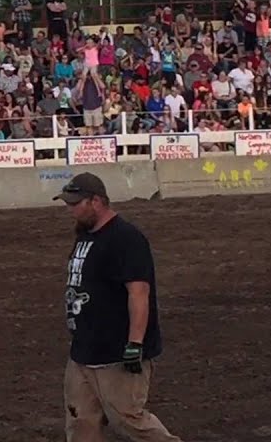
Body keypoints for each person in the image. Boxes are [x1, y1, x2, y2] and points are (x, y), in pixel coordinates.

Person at [54, 172, 182, 442]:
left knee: (129, 421)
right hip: (84, 352)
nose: (71, 210)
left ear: (97, 201)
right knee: (81, 424)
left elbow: (139, 293)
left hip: (116, 353)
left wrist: (135, 344)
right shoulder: (86, 236)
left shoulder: (126, 238)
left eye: (76, 203)